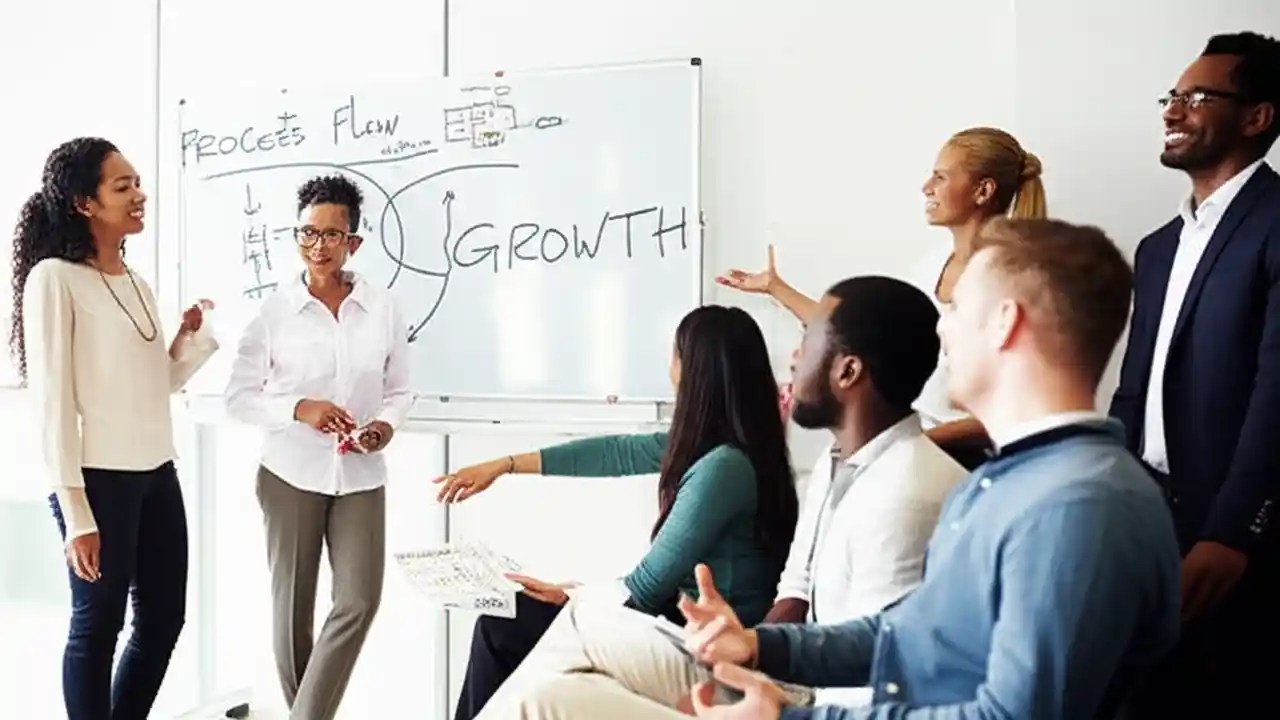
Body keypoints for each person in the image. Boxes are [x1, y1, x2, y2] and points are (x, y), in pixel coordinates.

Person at [501, 219, 1184, 720]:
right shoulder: (1008, 483)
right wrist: (759, 647)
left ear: (1004, 323)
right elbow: (902, 636)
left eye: (958, 310)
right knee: (550, 697)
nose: (943, 331)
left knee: (546, 703)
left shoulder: (1075, 507)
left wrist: (792, 716)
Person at [462, 276, 969, 719]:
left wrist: (766, 679)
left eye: (807, 340)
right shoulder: (836, 465)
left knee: (559, 635)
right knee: (551, 690)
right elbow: (798, 590)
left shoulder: (899, 494)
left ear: (848, 372)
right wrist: (753, 647)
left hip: (803, 701)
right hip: (763, 664)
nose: (794, 357)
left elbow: (882, 666)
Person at [434, 305, 799, 719]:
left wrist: (571, 597)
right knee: (511, 621)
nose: (669, 368)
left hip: (703, 646)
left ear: (696, 371)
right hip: (680, 626)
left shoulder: (724, 468)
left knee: (503, 627)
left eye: (675, 355)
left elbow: (645, 589)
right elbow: (614, 453)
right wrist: (506, 465)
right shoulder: (718, 446)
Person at [11, 137, 218, 719]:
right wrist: (76, 513)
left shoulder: (133, 280)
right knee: (97, 626)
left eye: (137, 183)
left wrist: (189, 338)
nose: (139, 195)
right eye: (122, 186)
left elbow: (155, 384)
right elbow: (52, 403)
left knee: (164, 619)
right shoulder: (54, 279)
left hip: (156, 470)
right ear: (84, 203)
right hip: (98, 479)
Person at [1108, 31, 1280, 718]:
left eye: (1197, 97)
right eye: (1172, 97)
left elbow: (1276, 391)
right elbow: (1132, 391)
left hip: (1235, 540)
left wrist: (1234, 531)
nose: (1173, 111)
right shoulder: (1157, 249)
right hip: (1146, 521)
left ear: (1257, 117)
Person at [718, 127, 1046, 466]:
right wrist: (776, 288)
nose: (927, 187)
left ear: (983, 190)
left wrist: (910, 443)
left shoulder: (1015, 283)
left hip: (969, 466)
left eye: (940, 177)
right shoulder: (930, 267)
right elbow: (857, 334)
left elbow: (1019, 411)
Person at [224, 174, 412, 720]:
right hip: (289, 473)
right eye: (308, 233)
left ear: (354, 242)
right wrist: (298, 407)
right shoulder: (274, 312)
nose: (319, 245)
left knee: (359, 600)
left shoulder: (382, 307)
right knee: (292, 611)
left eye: (332, 234)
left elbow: (399, 390)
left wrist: (384, 428)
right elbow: (237, 398)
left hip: (361, 475)